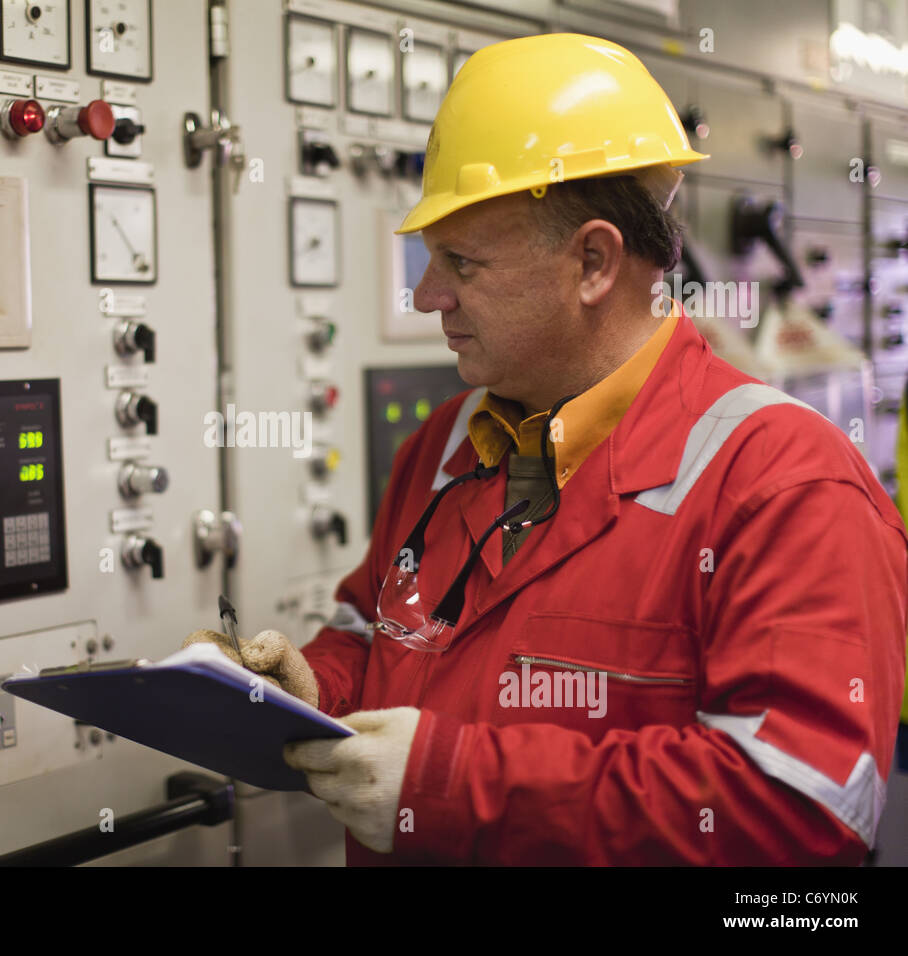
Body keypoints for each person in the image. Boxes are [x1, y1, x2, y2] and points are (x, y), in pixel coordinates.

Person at [186, 32, 907, 864]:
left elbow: (797, 810)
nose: (427, 297)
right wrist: (311, 686)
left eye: (461, 262)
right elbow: (375, 627)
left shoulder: (787, 484)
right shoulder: (448, 443)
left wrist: (452, 787)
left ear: (594, 261)